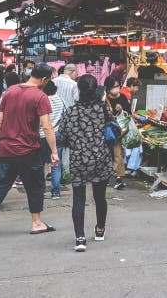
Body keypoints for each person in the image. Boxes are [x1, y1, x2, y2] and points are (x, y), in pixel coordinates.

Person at [0, 63, 58, 242]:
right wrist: (54, 151)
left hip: (6, 148)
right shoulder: (40, 96)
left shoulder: (11, 91)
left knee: (1, 185)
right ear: (44, 79)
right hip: (28, 150)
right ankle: (36, 222)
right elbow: (47, 126)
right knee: (35, 186)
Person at [59, 75, 115, 252]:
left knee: (78, 198)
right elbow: (114, 129)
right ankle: (99, 229)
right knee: (100, 197)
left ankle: (80, 237)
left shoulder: (71, 111)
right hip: (101, 157)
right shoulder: (102, 109)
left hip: (79, 159)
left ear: (79, 90)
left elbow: (62, 136)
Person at [41, 80, 65, 199]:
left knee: (41, 164)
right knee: (56, 164)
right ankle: (55, 191)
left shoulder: (41, 100)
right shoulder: (60, 100)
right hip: (57, 134)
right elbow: (65, 116)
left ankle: (41, 190)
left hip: (42, 135)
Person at [104, 76, 129, 189]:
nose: (116, 89)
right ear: (108, 88)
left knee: (118, 154)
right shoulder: (104, 99)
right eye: (114, 87)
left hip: (118, 131)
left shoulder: (122, 97)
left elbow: (129, 113)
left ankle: (119, 177)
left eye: (118, 86)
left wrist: (122, 109)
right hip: (105, 130)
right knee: (106, 154)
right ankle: (106, 175)